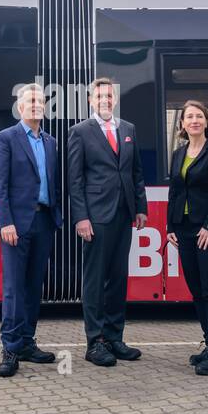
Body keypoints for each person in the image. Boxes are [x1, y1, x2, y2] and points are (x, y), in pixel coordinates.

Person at [67, 77, 147, 367]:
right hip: (96, 217)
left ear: (115, 99)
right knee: (94, 280)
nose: (105, 100)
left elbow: (136, 172)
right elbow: (74, 180)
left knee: (118, 279)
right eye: (99, 96)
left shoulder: (128, 129)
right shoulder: (79, 132)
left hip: (124, 214)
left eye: (109, 96)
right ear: (90, 100)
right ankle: (95, 342)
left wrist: (140, 208)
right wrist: (81, 217)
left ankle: (115, 338)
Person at [0, 84, 62, 378]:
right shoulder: (5, 138)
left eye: (40, 101)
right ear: (20, 108)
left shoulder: (50, 141)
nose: (35, 105)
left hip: (43, 221)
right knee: (14, 287)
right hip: (16, 224)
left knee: (34, 286)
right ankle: (10, 347)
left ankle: (28, 343)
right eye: (30, 101)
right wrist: (5, 221)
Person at [165, 100, 208, 375]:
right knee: (196, 289)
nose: (194, 120)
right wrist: (170, 225)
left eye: (198, 116)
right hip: (183, 228)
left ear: (206, 121)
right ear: (182, 124)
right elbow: (174, 192)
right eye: (188, 117)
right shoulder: (178, 154)